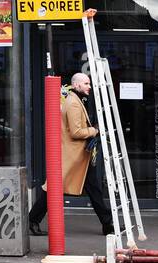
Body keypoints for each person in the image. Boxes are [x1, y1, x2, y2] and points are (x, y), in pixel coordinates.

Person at [28, 72, 114, 237]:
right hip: (75, 157)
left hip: (79, 156)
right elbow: (76, 132)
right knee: (53, 189)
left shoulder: (74, 100)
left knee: (93, 189)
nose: (89, 86)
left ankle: (107, 224)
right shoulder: (74, 103)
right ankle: (32, 220)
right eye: (86, 83)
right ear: (76, 85)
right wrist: (95, 130)